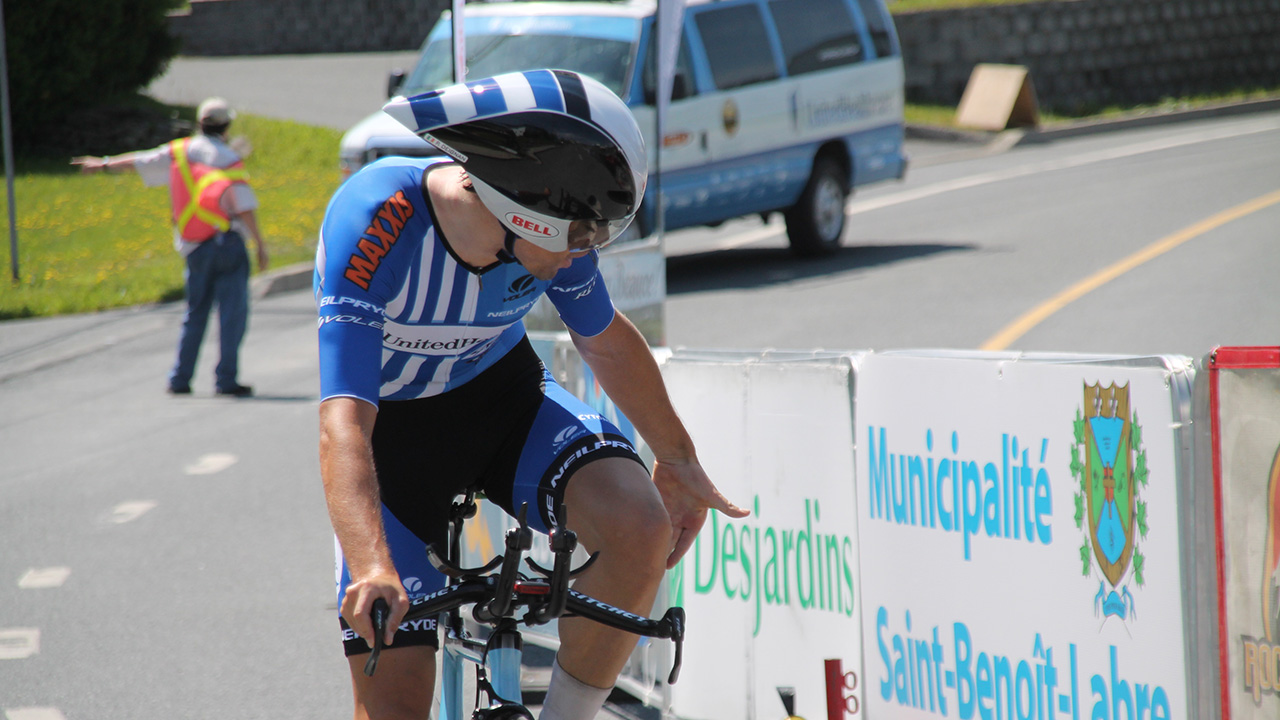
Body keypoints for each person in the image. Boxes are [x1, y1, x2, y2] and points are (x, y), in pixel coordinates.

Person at [314, 69, 748, 720]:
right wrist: (374, 565)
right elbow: (344, 423)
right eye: (577, 233)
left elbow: (604, 339)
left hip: (502, 401)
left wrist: (680, 461)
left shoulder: (549, 237)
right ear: (518, 204)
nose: (585, 249)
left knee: (642, 526)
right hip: (392, 444)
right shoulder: (377, 221)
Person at [73, 97, 268, 397]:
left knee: (195, 313)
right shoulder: (229, 159)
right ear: (226, 126)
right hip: (228, 243)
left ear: (200, 123)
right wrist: (260, 245)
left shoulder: (179, 151)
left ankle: (180, 378)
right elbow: (243, 206)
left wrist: (103, 164)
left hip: (194, 247)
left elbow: (141, 160)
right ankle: (225, 380)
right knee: (232, 315)